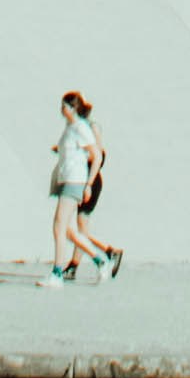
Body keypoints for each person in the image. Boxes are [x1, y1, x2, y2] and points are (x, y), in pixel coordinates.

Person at [48, 86, 121, 285]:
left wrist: (88, 183)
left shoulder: (83, 128)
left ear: (73, 108)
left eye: (64, 106)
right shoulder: (71, 127)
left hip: (78, 180)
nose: (61, 109)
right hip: (69, 180)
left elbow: (97, 155)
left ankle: (58, 273)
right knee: (69, 231)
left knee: (62, 227)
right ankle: (100, 260)